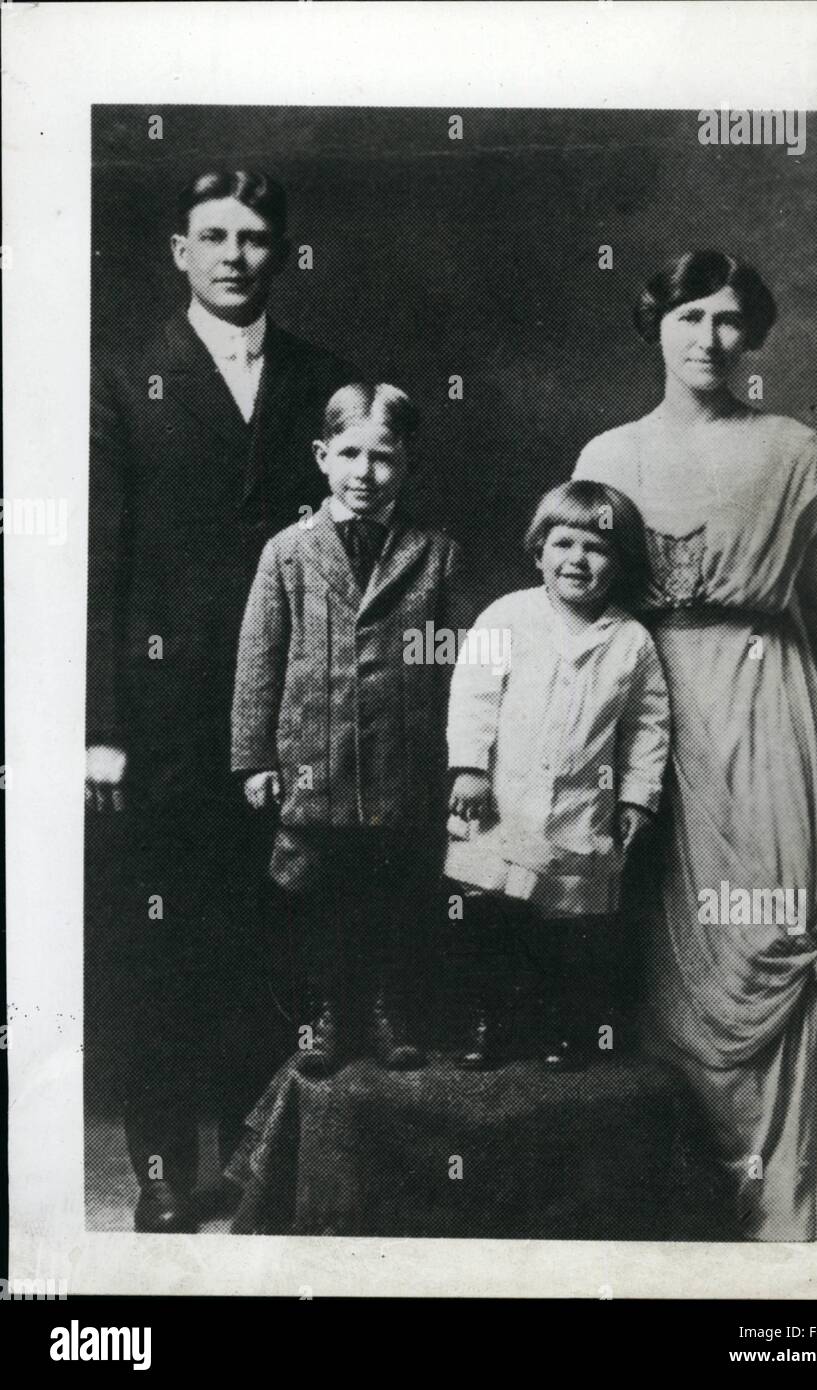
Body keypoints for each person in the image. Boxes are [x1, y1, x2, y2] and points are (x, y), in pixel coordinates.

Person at [86, 170, 356, 1232]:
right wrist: (99, 729)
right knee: (163, 935)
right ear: (179, 252)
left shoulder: (326, 380)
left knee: (276, 928)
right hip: (164, 712)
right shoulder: (124, 379)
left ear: (278, 251)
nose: (236, 254)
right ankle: (161, 1168)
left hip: (295, 702)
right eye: (215, 236)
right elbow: (100, 563)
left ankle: (263, 1169)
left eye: (255, 236)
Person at [574, 249, 817, 1240]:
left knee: (771, 932)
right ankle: (687, 1200)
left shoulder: (789, 448)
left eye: (728, 319)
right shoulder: (606, 454)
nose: (707, 337)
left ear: (753, 334)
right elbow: (577, 613)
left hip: (770, 705)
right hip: (648, 706)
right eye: (687, 314)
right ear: (654, 323)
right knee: (659, 943)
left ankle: (787, 1199)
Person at [231, 383, 467, 1075]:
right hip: (314, 762)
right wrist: (253, 760)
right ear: (321, 457)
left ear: (408, 463)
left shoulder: (436, 554)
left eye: (384, 457)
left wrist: (464, 761)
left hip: (404, 761)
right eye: (350, 454)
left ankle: (388, 1015)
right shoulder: (288, 552)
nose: (366, 473)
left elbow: (462, 666)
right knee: (319, 897)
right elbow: (258, 660)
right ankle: (327, 1017)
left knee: (395, 895)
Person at [444, 479, 671, 1071]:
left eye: (596, 549)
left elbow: (647, 726)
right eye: (564, 544)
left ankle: (559, 1030)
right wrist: (469, 768)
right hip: (502, 802)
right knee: (494, 918)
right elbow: (473, 693)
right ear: (539, 550)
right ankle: (489, 1024)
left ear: (618, 563)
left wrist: (637, 798)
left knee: (567, 934)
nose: (578, 560)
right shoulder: (509, 615)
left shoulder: (630, 641)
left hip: (581, 811)